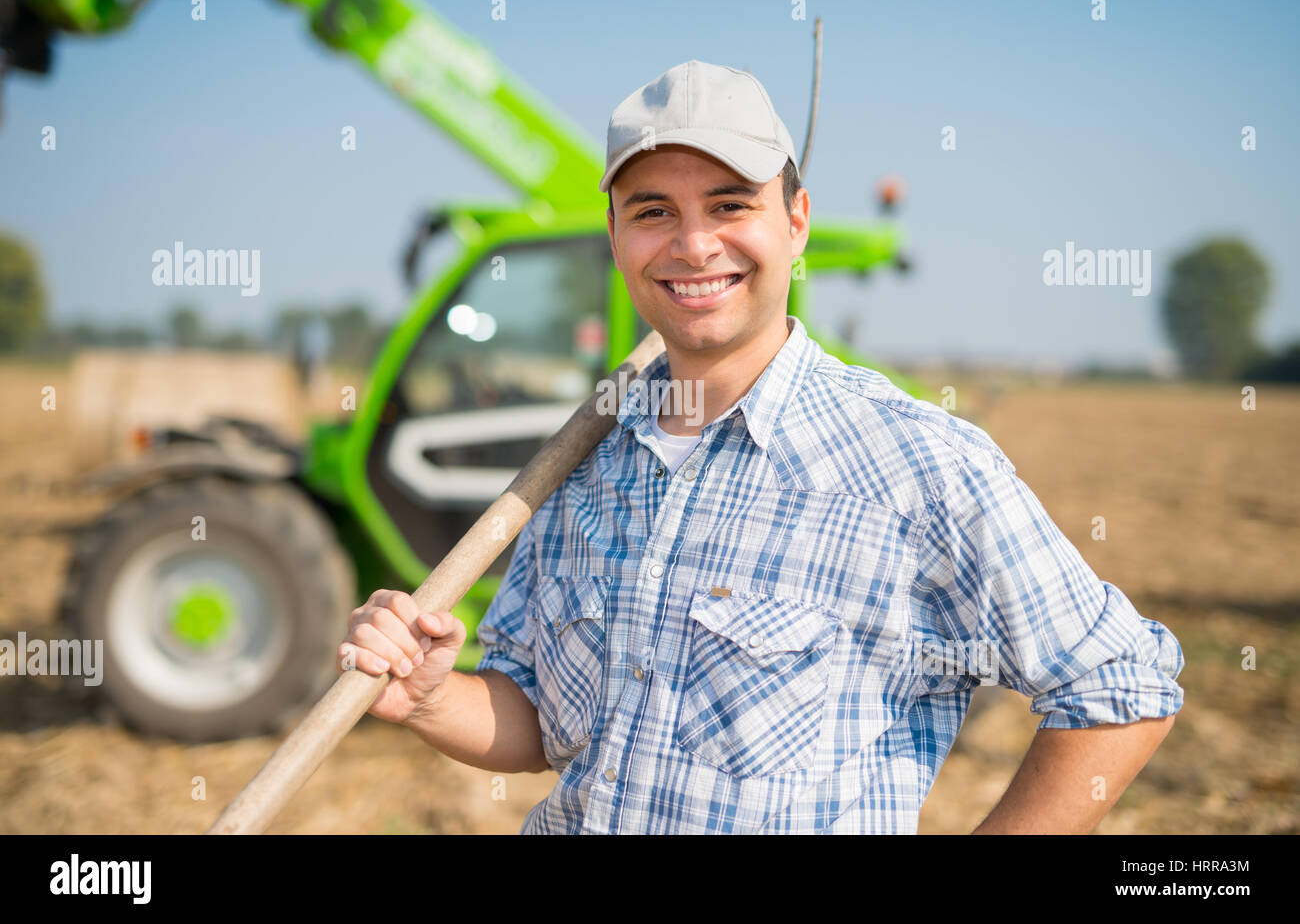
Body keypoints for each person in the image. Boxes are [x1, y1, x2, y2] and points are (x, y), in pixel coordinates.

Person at [338, 59, 1184, 834]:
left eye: (731, 205)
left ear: (797, 222)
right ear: (616, 236)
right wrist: (430, 694)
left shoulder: (917, 463)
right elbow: (540, 724)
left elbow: (1121, 689)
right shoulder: (580, 460)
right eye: (653, 212)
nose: (693, 244)